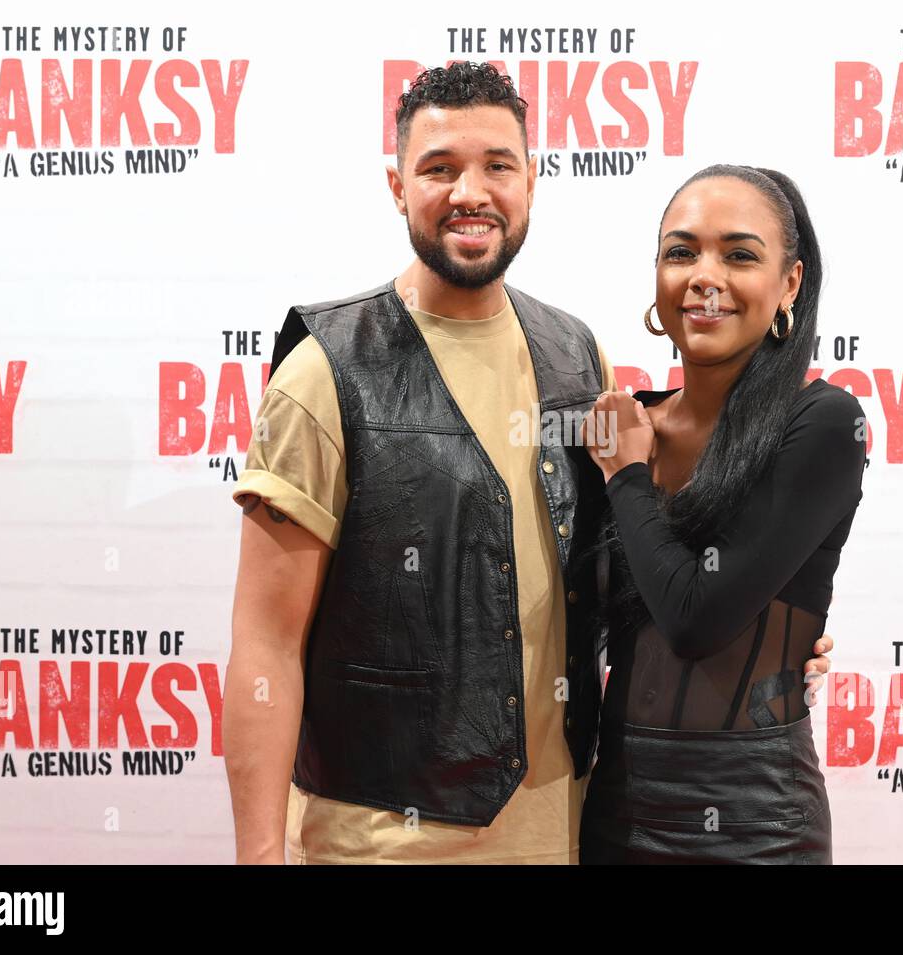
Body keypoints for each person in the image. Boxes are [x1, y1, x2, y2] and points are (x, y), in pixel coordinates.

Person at [222, 62, 837, 865]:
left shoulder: (577, 356)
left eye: (497, 166)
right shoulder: (327, 370)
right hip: (379, 841)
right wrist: (260, 854)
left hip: (566, 828)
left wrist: (765, 634)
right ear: (396, 185)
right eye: (439, 167)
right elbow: (265, 645)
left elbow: (625, 576)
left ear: (532, 182)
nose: (469, 192)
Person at [577, 164, 868, 864]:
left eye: (739, 254)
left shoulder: (822, 422)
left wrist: (624, 475)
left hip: (757, 821)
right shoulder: (623, 422)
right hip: (615, 805)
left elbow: (698, 619)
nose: (705, 275)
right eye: (681, 252)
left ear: (790, 282)